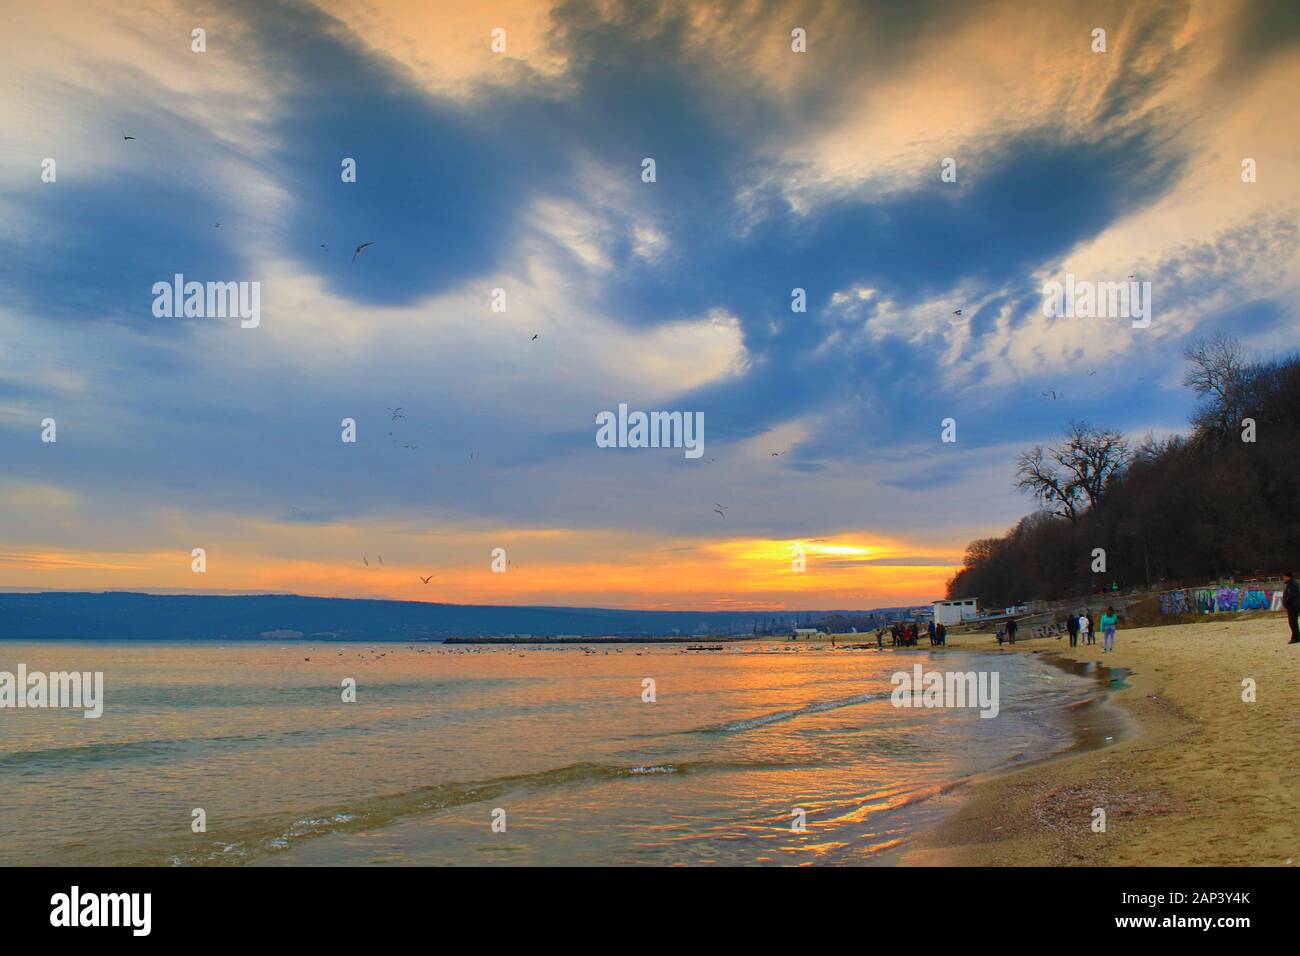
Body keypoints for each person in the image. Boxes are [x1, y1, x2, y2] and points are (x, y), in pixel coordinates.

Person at [1283, 572, 1300, 645]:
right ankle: (1295, 637)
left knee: (1293, 622)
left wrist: (1286, 603)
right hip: (1294, 606)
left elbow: (1291, 596)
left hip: (1293, 606)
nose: (1283, 579)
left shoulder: (1292, 584)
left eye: (1284, 577)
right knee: (1293, 622)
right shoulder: (1292, 584)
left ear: (1288, 577)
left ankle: (1296, 638)